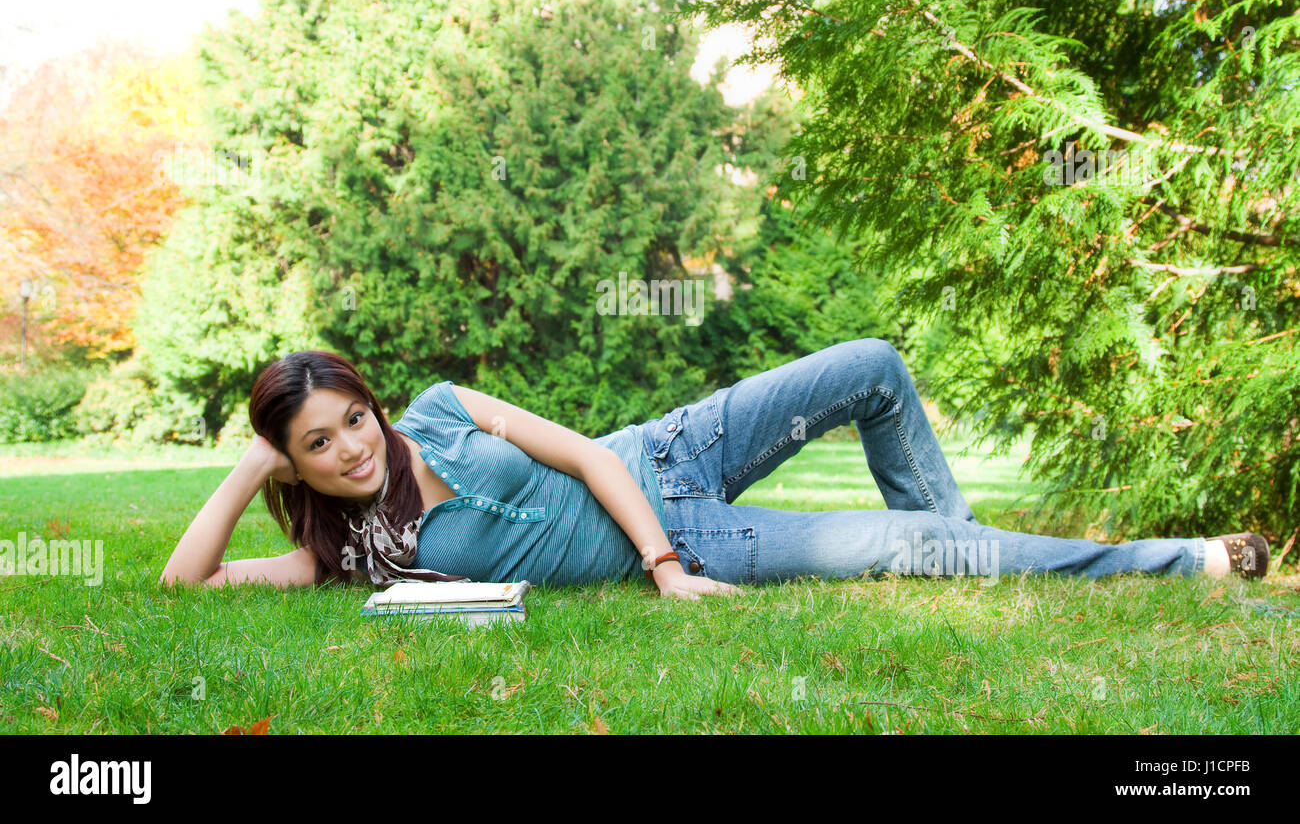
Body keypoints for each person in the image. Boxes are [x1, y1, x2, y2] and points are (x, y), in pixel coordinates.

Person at [158, 339, 1270, 597]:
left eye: (351, 417)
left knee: (872, 364)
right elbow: (186, 586)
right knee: (898, 546)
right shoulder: (345, 550)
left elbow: (590, 452)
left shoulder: (441, 411)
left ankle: (969, 546)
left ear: (371, 401)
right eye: (317, 442)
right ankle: (1180, 560)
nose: (351, 447)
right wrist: (247, 471)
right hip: (700, 535)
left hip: (665, 454)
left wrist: (653, 561)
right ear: (292, 459)